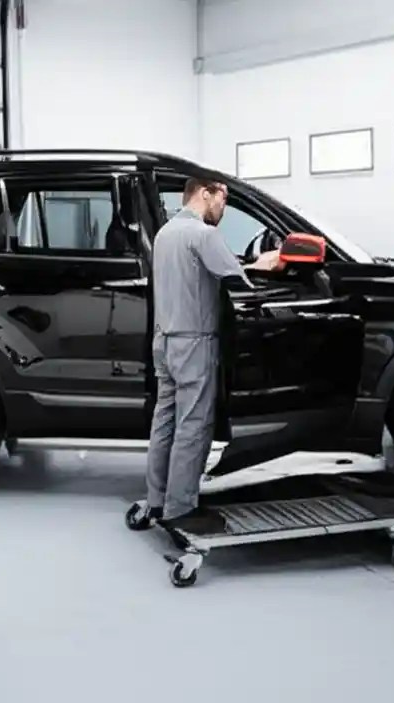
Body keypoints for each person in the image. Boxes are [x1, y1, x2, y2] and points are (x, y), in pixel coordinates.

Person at [145, 177, 285, 535]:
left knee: (165, 423)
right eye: (224, 197)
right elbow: (238, 279)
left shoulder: (165, 233)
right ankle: (181, 510)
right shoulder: (204, 235)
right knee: (193, 426)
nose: (224, 206)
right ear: (205, 193)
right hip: (194, 341)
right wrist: (266, 264)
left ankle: (157, 500)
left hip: (164, 341)